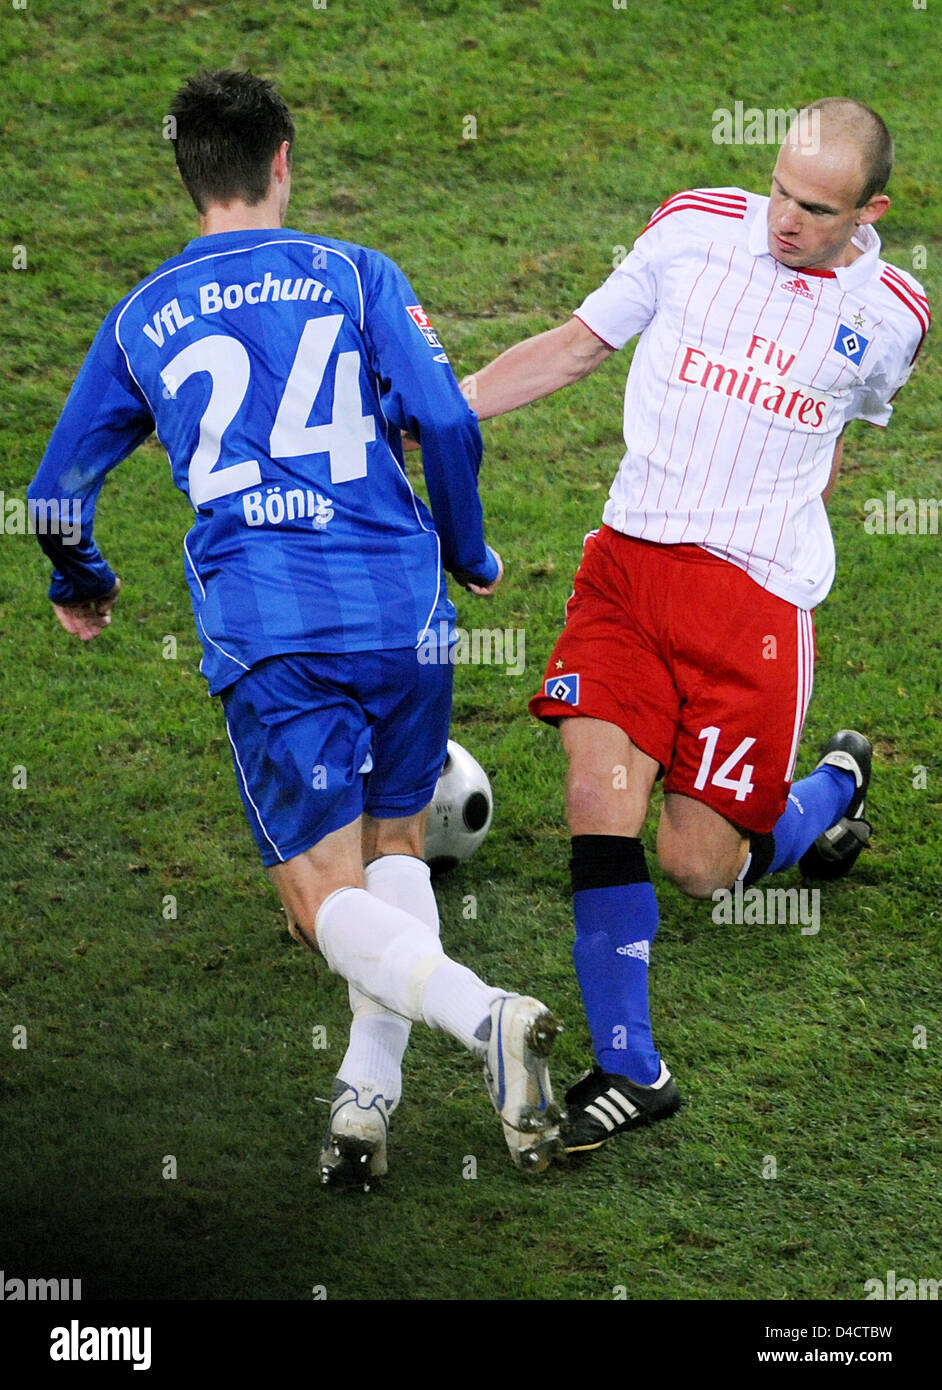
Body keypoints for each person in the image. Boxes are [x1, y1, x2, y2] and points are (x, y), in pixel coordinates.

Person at [28, 69, 564, 1184]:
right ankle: (364, 1105)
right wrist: (466, 551)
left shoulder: (141, 317)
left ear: (189, 177)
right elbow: (447, 418)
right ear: (283, 165)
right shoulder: (357, 273)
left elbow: (53, 496)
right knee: (398, 843)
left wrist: (81, 579)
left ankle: (489, 1017)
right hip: (401, 608)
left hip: (271, 633)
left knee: (317, 901)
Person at [458, 99, 930, 1153]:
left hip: (755, 612)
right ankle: (632, 1068)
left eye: (815, 208)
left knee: (704, 866)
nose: (786, 220)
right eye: (779, 191)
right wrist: (447, 407)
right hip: (628, 567)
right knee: (596, 793)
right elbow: (579, 346)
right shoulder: (690, 230)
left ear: (869, 211)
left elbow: (839, 434)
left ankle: (825, 794)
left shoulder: (896, 313)